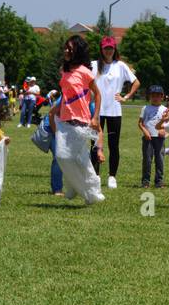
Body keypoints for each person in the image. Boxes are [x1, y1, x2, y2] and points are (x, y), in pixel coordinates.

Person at [52, 35, 105, 205]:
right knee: (64, 156)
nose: (66, 50)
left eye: (70, 48)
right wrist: (57, 108)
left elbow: (97, 94)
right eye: (65, 47)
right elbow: (66, 93)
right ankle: (77, 186)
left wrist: (95, 117)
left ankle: (92, 191)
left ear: (78, 51)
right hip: (65, 119)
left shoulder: (85, 71)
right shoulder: (64, 70)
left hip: (81, 120)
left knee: (77, 159)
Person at [89, 36, 140, 190]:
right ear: (101, 49)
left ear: (115, 49)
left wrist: (126, 96)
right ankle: (95, 175)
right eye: (106, 48)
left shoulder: (121, 66)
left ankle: (112, 176)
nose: (109, 51)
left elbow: (136, 82)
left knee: (113, 145)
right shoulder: (93, 65)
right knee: (94, 143)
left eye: (111, 48)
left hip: (114, 110)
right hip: (97, 110)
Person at [139, 85, 169, 189]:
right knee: (147, 160)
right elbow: (140, 123)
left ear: (162, 96)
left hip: (159, 139)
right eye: (153, 95)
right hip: (148, 138)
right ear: (149, 97)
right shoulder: (145, 108)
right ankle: (145, 181)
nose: (155, 98)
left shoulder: (164, 109)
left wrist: (163, 130)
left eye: (158, 95)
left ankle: (159, 181)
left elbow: (167, 125)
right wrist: (145, 132)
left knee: (159, 159)